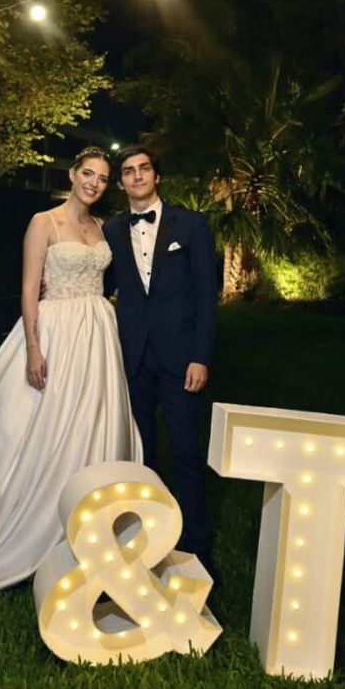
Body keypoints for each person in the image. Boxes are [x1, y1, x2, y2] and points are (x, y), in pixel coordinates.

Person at [0, 147, 142, 593]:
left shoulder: (103, 228)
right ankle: (33, 520)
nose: (94, 183)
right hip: (57, 331)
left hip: (99, 335)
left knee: (92, 421)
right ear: (72, 173)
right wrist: (33, 346)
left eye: (103, 178)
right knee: (46, 421)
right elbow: (28, 287)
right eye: (88, 173)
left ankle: (88, 520)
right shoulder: (43, 222)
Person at [103, 145, 217, 565]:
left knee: (186, 454)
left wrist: (200, 356)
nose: (136, 176)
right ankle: (147, 549)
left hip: (182, 360)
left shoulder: (192, 225)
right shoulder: (112, 231)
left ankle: (198, 551)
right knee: (141, 456)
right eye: (128, 171)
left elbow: (207, 296)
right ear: (120, 183)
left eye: (144, 168)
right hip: (132, 359)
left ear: (157, 176)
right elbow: (102, 284)